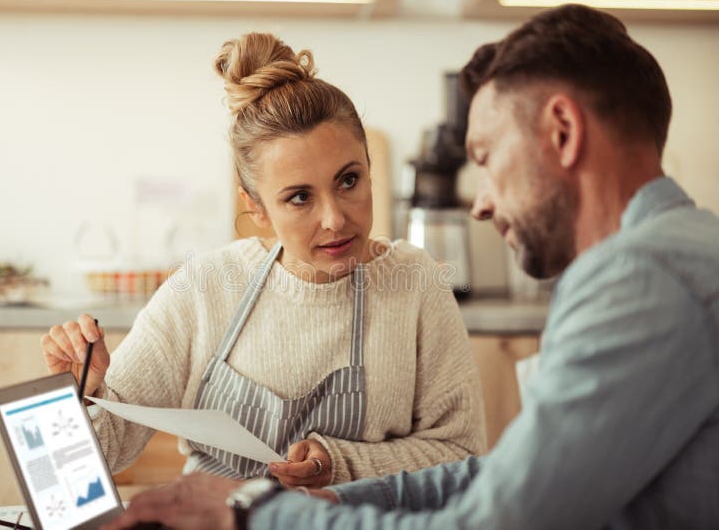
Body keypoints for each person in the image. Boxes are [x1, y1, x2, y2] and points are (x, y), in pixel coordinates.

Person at [103, 4, 719, 530]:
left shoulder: (640, 282)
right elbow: (491, 480)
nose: (479, 201)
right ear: (256, 209)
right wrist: (310, 500)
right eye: (298, 196)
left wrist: (253, 510)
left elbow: (492, 519)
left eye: (485, 156)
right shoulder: (683, 253)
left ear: (562, 132)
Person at [41, 32, 485, 489]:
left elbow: (461, 456)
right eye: (298, 197)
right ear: (255, 207)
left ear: (370, 171)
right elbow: (97, 459)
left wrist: (340, 465)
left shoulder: (415, 284)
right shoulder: (204, 288)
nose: (335, 218)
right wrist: (84, 393)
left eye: (349, 181)